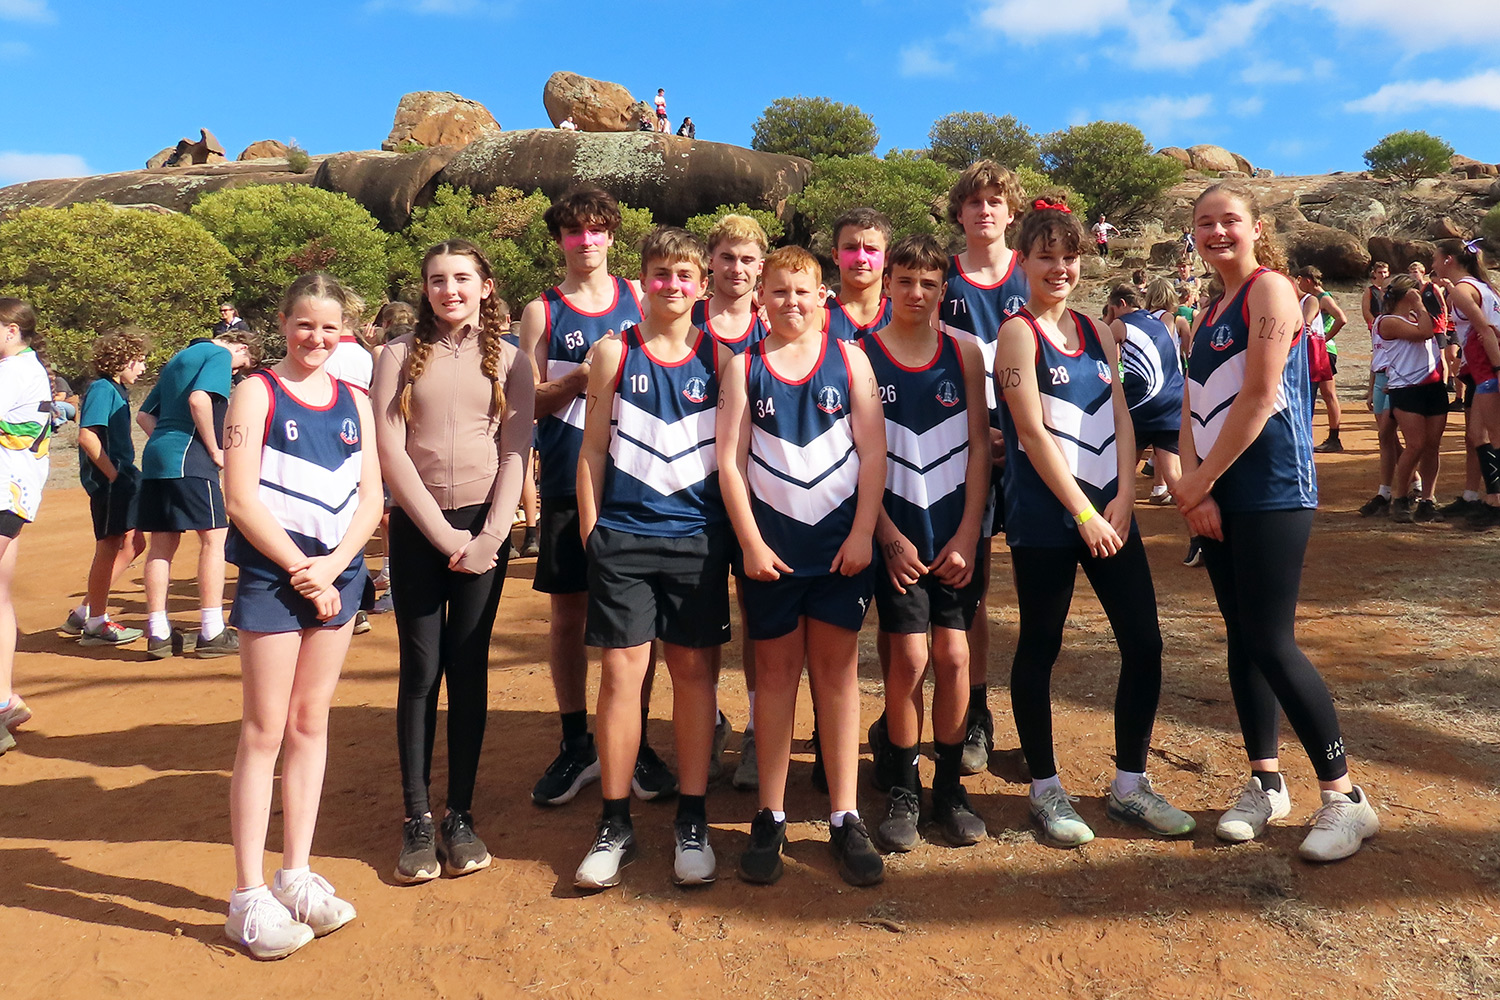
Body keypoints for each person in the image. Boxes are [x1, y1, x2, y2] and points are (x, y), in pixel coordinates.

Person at [1177, 181, 1378, 862]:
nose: (1216, 232)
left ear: (1255, 226)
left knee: (1272, 639)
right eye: (1204, 224)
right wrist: (1192, 488)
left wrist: (1201, 480)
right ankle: (1266, 781)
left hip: (1271, 491)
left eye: (1228, 220)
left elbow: (1262, 397)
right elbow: (1189, 407)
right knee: (1244, 640)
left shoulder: (1272, 292)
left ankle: (1346, 799)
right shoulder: (1208, 313)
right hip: (1219, 498)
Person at [994, 202, 1192, 849]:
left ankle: (1130, 785)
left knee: (1144, 642)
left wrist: (1125, 500)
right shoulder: (1019, 335)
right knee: (1041, 647)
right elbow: (1028, 429)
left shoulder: (1099, 331)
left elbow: (1123, 418)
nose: (1059, 267)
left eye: (1069, 257)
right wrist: (1080, 511)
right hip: (1049, 520)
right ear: (1023, 262)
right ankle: (1046, 789)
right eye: (1046, 256)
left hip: (1110, 514)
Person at [220, 273, 383, 960]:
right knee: (263, 730)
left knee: (310, 722)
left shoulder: (357, 400)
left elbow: (372, 496)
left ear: (344, 329)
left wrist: (336, 565)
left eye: (329, 327)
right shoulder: (255, 392)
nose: (316, 338)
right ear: (283, 324)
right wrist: (300, 570)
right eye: (304, 325)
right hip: (274, 576)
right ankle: (248, 896)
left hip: (337, 575)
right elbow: (239, 497)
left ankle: (297, 875)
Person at [717, 245, 887, 887]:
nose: (792, 302)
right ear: (761, 298)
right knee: (776, 679)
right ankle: (772, 811)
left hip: (841, 551)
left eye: (804, 292)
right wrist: (752, 544)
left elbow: (874, 454)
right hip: (772, 556)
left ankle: (845, 814)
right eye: (779, 292)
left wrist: (866, 533)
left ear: (826, 300)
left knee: (839, 679)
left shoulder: (850, 360)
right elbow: (730, 463)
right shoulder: (744, 367)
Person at [572, 227, 732, 890]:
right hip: (624, 540)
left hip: (697, 539)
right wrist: (594, 535)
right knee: (620, 677)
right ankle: (615, 824)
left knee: (693, 677)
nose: (672, 285)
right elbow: (591, 453)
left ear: (702, 284)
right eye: (660, 273)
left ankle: (691, 821)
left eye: (684, 275)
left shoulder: (723, 356)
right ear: (643, 281)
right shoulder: (613, 353)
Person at [373, 239, 533, 884]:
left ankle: (459, 814)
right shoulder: (395, 355)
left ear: (486, 286)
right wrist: (442, 535)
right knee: (422, 669)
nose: (450, 291)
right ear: (425, 289)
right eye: (437, 280)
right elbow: (390, 448)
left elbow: (517, 449)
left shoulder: (514, 361)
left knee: (468, 670)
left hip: (482, 533)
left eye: (462, 278)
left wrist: (493, 535)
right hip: (421, 530)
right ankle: (417, 818)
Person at [516, 187, 675, 807]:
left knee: (645, 619)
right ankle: (575, 738)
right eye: (574, 231)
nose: (587, 242)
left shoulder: (641, 297)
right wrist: (580, 378)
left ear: (612, 235)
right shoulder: (543, 311)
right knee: (570, 613)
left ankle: (636, 737)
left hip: (637, 480)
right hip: (563, 476)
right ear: (560, 239)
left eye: (597, 230)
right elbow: (526, 400)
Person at [860, 234, 990, 852]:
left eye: (929, 284)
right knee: (910, 660)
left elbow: (980, 453)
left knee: (957, 659)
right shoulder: (859, 354)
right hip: (899, 540)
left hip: (955, 535)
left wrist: (969, 531)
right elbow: (857, 459)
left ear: (945, 290)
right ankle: (905, 788)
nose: (916, 293)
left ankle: (949, 787)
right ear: (886, 284)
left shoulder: (963, 354)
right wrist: (886, 536)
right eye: (905, 280)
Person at [937, 161, 1030, 776]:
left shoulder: (1036, 271)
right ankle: (975, 712)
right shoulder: (943, 282)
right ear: (960, 213)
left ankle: (1035, 728)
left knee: (1040, 585)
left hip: (1035, 451)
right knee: (970, 588)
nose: (984, 211)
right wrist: (980, 434)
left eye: (995, 200)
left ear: (1011, 211)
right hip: (966, 449)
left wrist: (1021, 432)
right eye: (973, 202)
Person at [694, 213, 771, 788]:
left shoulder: (776, 329)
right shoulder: (684, 321)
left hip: (756, 496)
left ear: (760, 268)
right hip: (691, 493)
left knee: (756, 617)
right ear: (709, 264)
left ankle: (753, 731)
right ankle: (709, 721)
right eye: (727, 257)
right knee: (701, 622)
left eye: (747, 259)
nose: (736, 268)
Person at [137, 331, 252, 658]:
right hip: (191, 456)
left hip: (158, 455)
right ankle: (212, 630)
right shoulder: (218, 356)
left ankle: (158, 633)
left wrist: (167, 440)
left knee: (162, 542)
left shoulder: (176, 361)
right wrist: (214, 450)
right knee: (214, 537)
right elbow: (199, 399)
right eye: (242, 364)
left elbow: (144, 415)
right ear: (240, 347)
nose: (234, 372)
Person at [62, 332, 149, 647]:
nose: (142, 367)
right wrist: (113, 476)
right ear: (121, 361)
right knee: (110, 545)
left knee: (134, 543)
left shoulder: (116, 389)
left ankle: (84, 611)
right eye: (138, 361)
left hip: (123, 476)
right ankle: (96, 623)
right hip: (110, 481)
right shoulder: (102, 388)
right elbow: (87, 436)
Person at [0, 298, 52, 754]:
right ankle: (3, 702)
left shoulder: (11, 371)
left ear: (11, 331)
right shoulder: (29, 370)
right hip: (14, 493)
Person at [1433, 237, 1500, 528]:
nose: (1432, 264)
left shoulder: (1463, 290)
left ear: (1449, 259)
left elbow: (1485, 331)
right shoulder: (1481, 286)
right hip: (1480, 367)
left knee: (1493, 437)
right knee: (1476, 435)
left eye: (1436, 258)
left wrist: (1497, 369)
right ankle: (1480, 496)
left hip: (1488, 367)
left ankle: (1496, 503)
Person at [1372, 277, 1447, 524]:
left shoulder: (1414, 317)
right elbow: (1425, 333)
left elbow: (1436, 333)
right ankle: (1400, 497)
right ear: (1406, 295)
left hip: (1432, 385)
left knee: (1432, 445)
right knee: (1415, 444)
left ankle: (1428, 499)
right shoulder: (1387, 321)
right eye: (1414, 291)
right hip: (1406, 388)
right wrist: (1421, 306)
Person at [1358, 261, 1406, 516]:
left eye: (1388, 292)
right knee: (1385, 436)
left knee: (1393, 435)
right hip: (1381, 379)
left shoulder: (1406, 322)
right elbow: (1377, 356)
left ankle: (1404, 489)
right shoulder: (1379, 323)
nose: (1383, 296)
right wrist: (1371, 387)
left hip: (1398, 381)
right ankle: (1387, 491)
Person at [1294, 267, 1347, 454]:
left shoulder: (1321, 298)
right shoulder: (1314, 298)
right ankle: (1334, 437)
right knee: (1327, 394)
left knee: (1327, 394)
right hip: (1319, 349)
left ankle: (1333, 437)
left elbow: (1341, 318)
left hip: (1321, 350)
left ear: (1307, 280)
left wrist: (1325, 337)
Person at [823, 208, 893, 341]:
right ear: (835, 255)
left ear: (886, 258)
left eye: (871, 249)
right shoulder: (817, 318)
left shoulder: (902, 317)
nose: (861, 258)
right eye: (851, 248)